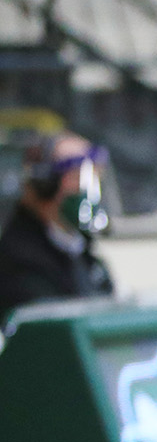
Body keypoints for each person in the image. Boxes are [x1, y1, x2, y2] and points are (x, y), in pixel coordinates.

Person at [0, 132, 114, 325]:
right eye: (77, 177)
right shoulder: (18, 261)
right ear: (44, 185)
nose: (87, 190)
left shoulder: (84, 254)